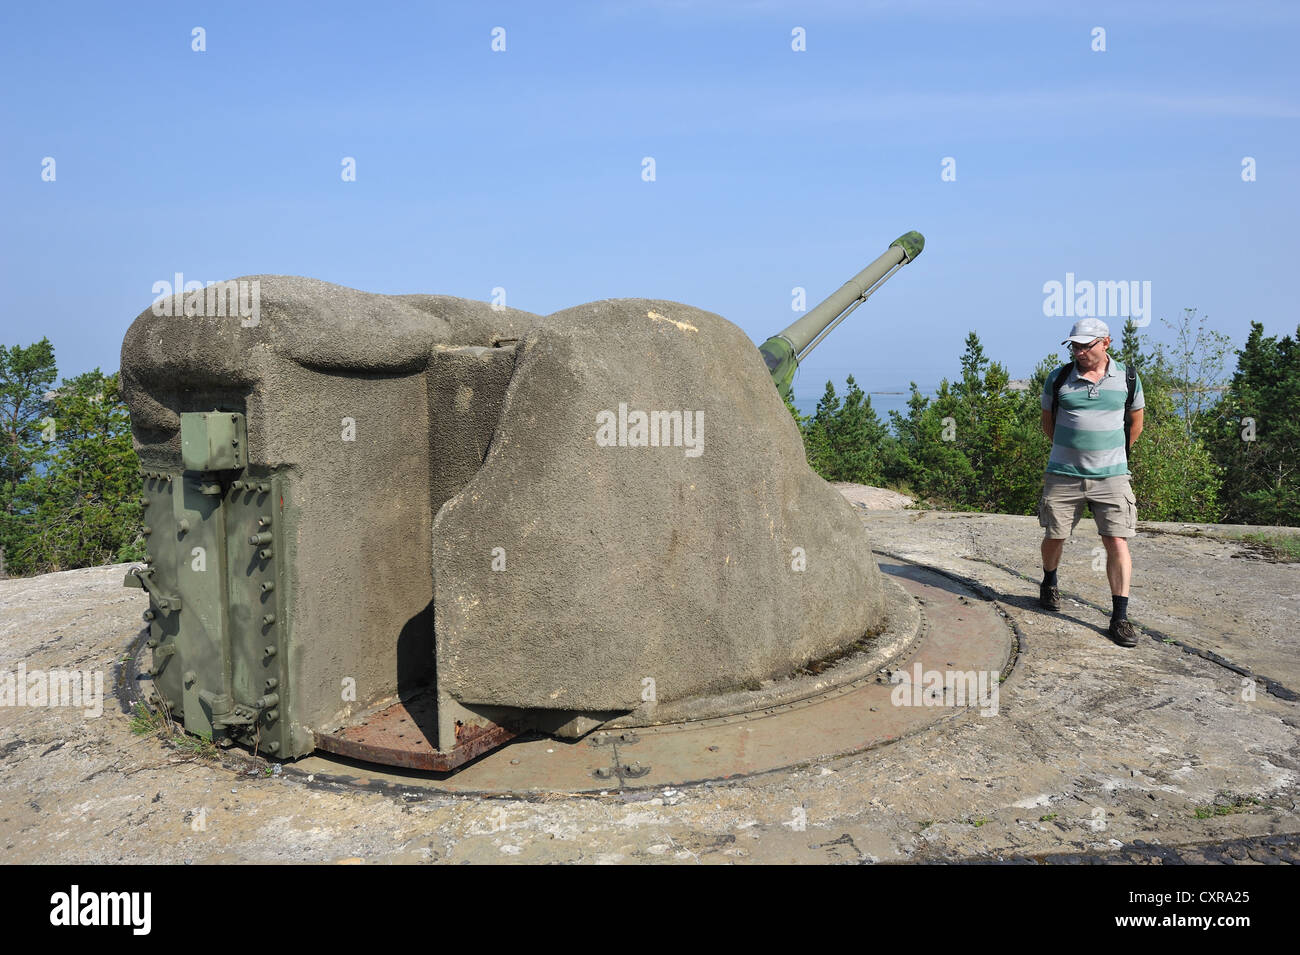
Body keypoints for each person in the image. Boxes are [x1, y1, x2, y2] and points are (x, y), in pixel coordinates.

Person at [1038, 318, 1145, 646]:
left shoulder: (1127, 378)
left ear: (1106, 343)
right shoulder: (1058, 379)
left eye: (1086, 345)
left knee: (1117, 542)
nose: (1079, 351)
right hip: (1064, 476)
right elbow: (1048, 424)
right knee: (1055, 536)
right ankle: (1049, 581)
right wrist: (1073, 452)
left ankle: (1120, 618)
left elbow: (1135, 423)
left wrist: (1111, 457)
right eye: (1075, 345)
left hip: (1111, 477)